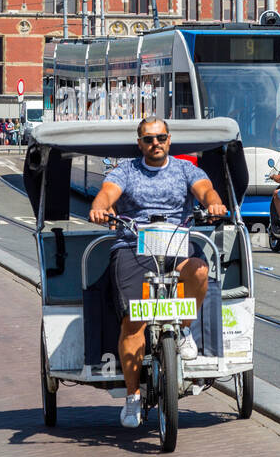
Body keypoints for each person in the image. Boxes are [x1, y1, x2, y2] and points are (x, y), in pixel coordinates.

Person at [88, 117, 228, 429]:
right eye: (149, 139)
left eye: (161, 138)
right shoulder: (125, 170)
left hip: (177, 244)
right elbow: (107, 194)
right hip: (134, 245)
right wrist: (101, 208)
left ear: (169, 139)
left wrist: (214, 203)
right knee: (134, 319)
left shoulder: (185, 170)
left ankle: (185, 328)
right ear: (139, 143)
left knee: (201, 271)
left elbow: (205, 191)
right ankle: (133, 395)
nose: (156, 144)